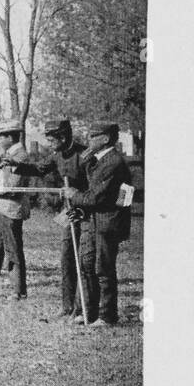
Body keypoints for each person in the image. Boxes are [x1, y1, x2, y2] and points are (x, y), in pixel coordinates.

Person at [18, 120, 89, 319]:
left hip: (87, 213)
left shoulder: (84, 156)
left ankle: (81, 308)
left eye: (51, 140)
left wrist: (78, 196)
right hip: (68, 212)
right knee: (66, 257)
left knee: (82, 260)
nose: (48, 144)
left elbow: (96, 189)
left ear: (63, 138)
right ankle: (67, 307)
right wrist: (15, 166)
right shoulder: (57, 156)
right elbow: (39, 168)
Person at [65, 122, 133, 327]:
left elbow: (96, 197)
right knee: (86, 266)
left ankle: (107, 316)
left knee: (103, 269)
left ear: (105, 139)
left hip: (107, 223)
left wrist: (74, 195)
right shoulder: (95, 160)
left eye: (93, 136)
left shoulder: (113, 162)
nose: (89, 140)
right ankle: (87, 312)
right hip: (93, 222)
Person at [0, 122, 32, 300]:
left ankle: (18, 291)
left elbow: (14, 186)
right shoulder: (9, 155)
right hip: (2, 208)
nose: (0, 141)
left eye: (2, 137)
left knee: (13, 250)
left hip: (11, 209)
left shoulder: (21, 156)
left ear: (11, 137)